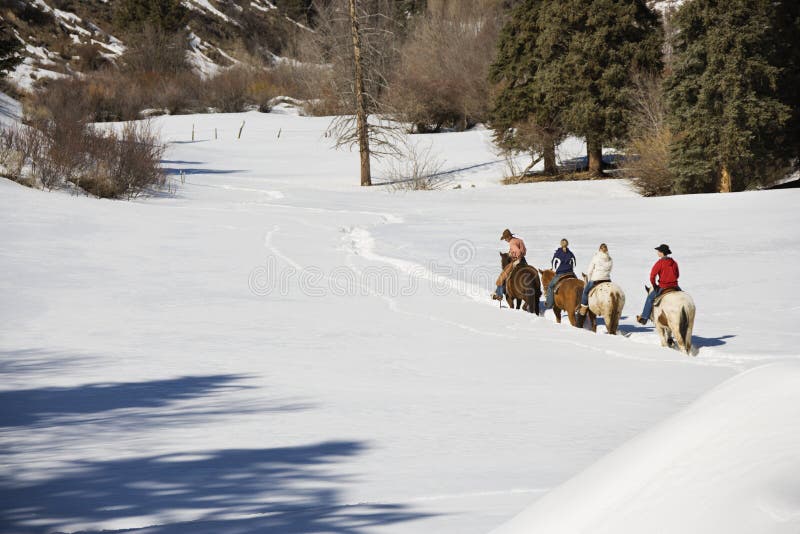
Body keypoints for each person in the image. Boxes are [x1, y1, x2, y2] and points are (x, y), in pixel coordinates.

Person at [636, 244, 680, 325]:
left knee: (650, 298)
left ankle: (644, 318)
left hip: (663, 286)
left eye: (658, 251)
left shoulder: (660, 263)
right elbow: (677, 275)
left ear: (662, 253)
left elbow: (652, 276)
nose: (657, 252)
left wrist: (655, 285)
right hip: (675, 286)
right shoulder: (674, 262)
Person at [577, 243, 613, 324]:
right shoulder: (610, 259)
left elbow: (590, 271)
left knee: (585, 292)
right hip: (607, 280)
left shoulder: (596, 257)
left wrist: (590, 279)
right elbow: (610, 269)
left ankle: (583, 309)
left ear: (600, 249)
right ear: (607, 250)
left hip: (596, 279)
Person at [491, 229, 527, 301]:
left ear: (508, 237)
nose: (505, 240)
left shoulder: (512, 242)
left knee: (502, 276)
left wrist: (517, 258)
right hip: (524, 261)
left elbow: (518, 251)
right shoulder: (519, 240)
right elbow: (524, 250)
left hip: (517, 261)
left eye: (505, 238)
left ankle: (499, 294)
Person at [545, 238, 576, 309]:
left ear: (561, 244)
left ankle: (549, 304)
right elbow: (574, 263)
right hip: (571, 273)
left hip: (561, 274)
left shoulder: (558, 253)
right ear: (567, 244)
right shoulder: (570, 253)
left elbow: (553, 263)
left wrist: (555, 270)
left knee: (550, 286)